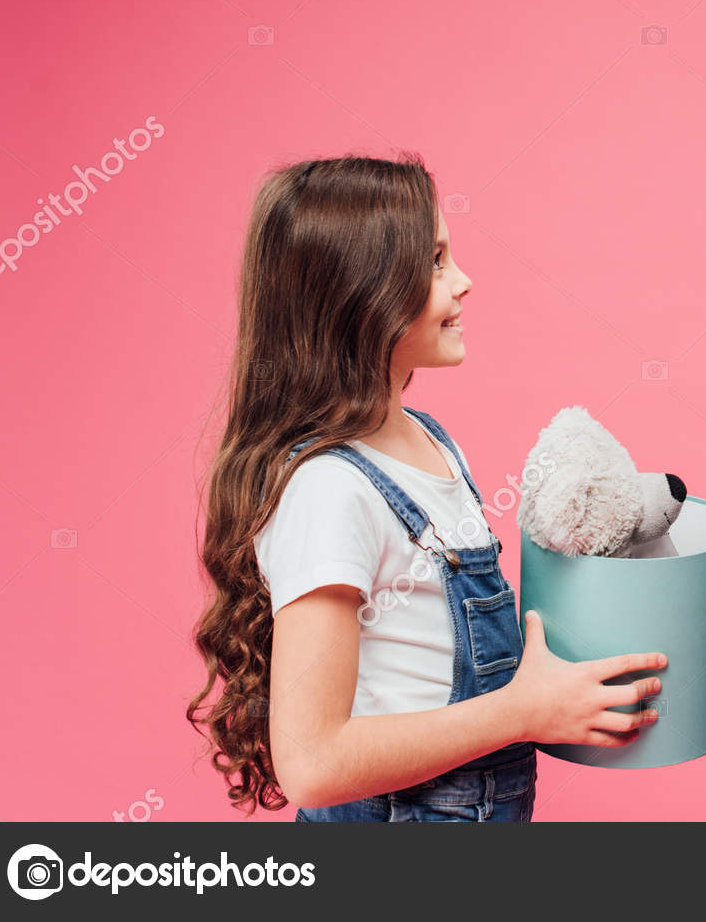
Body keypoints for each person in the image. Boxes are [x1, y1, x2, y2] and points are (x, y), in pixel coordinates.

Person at [188, 155, 666, 821]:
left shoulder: (428, 440)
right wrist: (523, 710)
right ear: (363, 292)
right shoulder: (328, 491)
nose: (464, 281)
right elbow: (312, 764)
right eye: (436, 261)